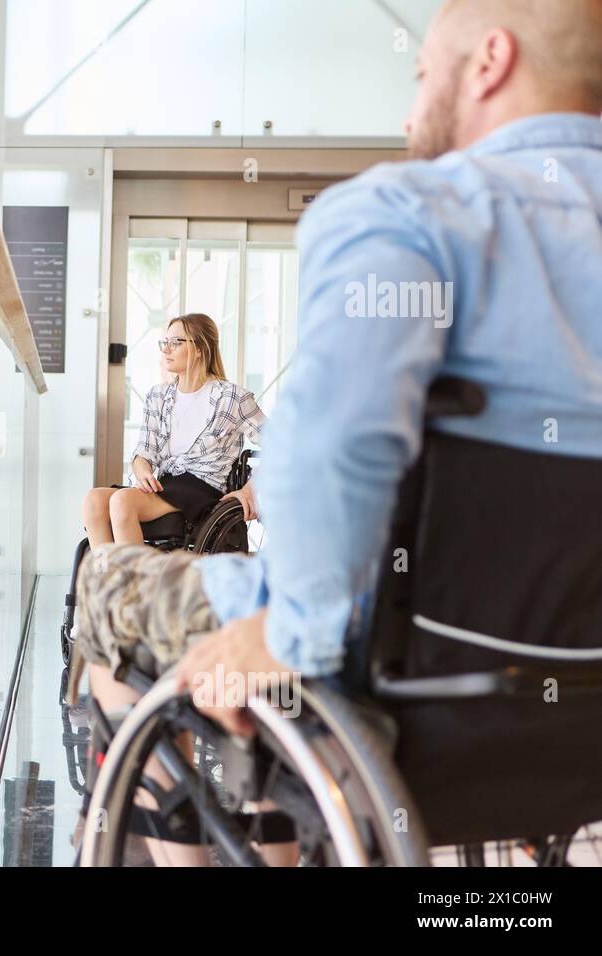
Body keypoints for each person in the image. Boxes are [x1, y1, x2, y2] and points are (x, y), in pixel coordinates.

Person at [72, 0, 602, 864]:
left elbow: (332, 450)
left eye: (423, 73)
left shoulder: (409, 214)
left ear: (490, 61)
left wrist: (293, 629)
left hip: (392, 701)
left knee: (109, 594)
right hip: (580, 729)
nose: (407, 109)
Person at [80, 312, 263, 548]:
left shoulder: (231, 398)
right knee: (93, 501)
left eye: (175, 342)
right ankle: (110, 581)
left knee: (122, 502)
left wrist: (249, 490)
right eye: (164, 342)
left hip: (202, 487)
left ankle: (137, 584)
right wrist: (143, 470)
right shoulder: (158, 396)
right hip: (166, 483)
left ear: (200, 348)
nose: (166, 349)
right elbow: (144, 452)